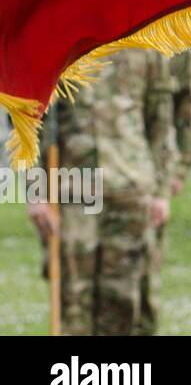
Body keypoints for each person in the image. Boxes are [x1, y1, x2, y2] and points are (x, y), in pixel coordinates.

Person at [27, 49, 177, 335]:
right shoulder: (60, 40)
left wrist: (161, 192)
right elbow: (30, 122)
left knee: (124, 299)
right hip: (72, 193)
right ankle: (76, 377)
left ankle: (118, 379)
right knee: (73, 298)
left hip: (130, 189)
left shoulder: (148, 44)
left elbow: (160, 120)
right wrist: (35, 194)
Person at [136, 49, 191, 335]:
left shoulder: (175, 39)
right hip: (82, 180)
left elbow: (185, 109)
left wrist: (179, 169)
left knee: (143, 276)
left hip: (147, 176)